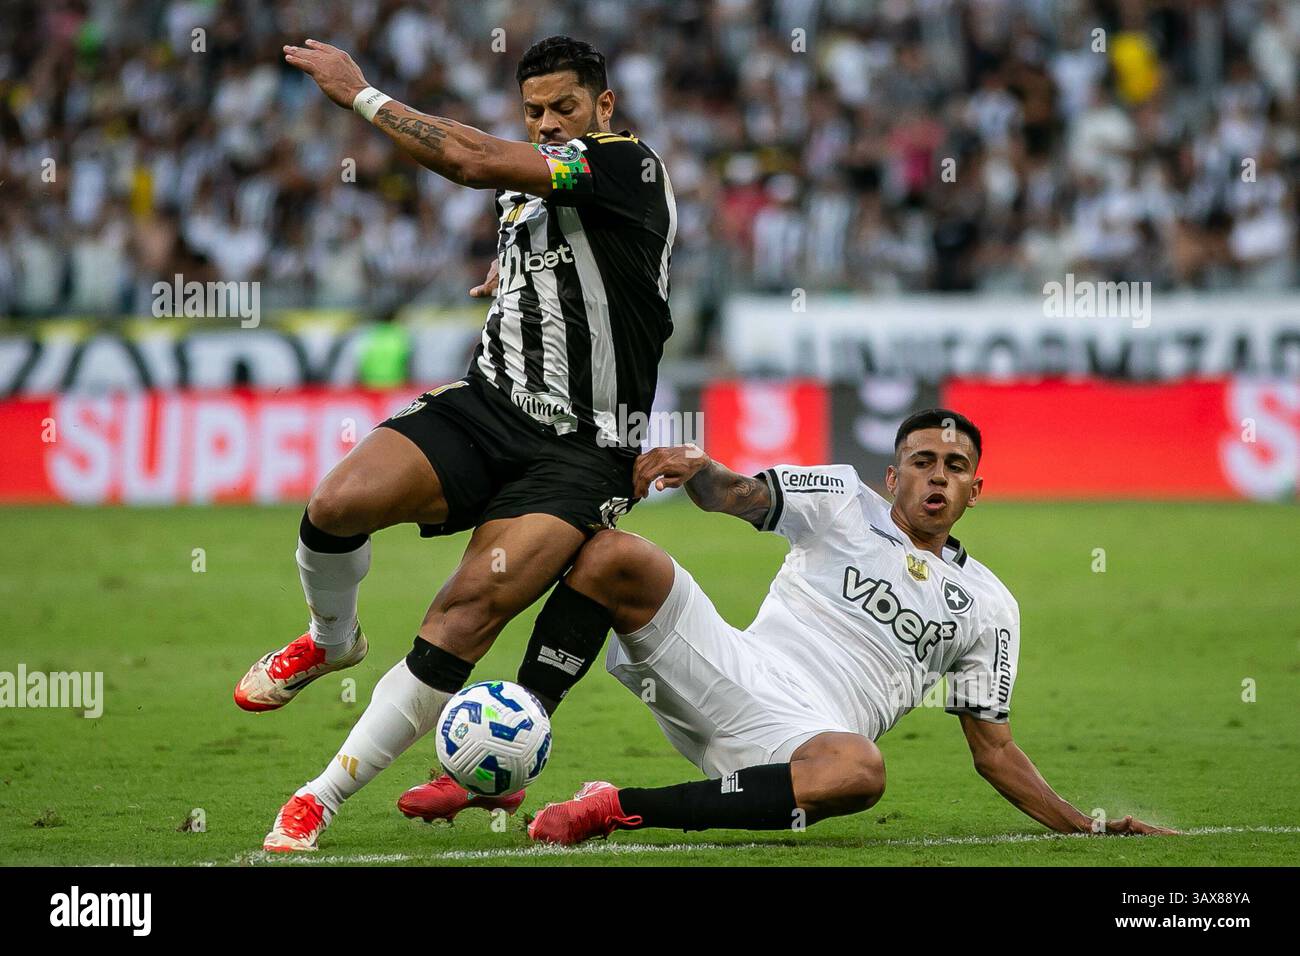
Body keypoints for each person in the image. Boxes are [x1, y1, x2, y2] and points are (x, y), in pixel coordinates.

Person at [238, 35, 677, 852]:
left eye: (564, 108)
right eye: (534, 111)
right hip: (490, 406)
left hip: (583, 451)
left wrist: (361, 96)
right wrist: (514, 274)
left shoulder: (626, 163)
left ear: (605, 107)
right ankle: (333, 642)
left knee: (465, 612)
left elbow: (474, 161)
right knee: (336, 503)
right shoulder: (538, 193)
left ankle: (321, 795)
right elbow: (552, 244)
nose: (547, 123)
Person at [407, 409, 1177, 842]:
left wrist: (1086, 829)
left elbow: (995, 752)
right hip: (729, 668)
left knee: (862, 770)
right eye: (920, 460)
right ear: (891, 475)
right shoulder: (842, 497)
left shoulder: (991, 607)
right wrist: (701, 470)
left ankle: (613, 808)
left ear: (979, 487)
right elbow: (738, 498)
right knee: (614, 554)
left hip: (804, 744)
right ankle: (499, 766)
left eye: (953, 464)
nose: (936, 475)